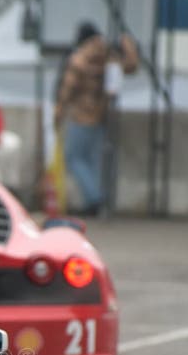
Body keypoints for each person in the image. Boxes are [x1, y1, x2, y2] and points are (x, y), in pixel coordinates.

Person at [54, 22, 138, 215]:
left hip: (80, 116)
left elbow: (68, 88)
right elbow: (131, 66)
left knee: (74, 158)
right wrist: (129, 45)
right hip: (101, 115)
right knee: (93, 162)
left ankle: (94, 199)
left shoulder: (79, 58)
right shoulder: (109, 56)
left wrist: (59, 110)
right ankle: (96, 202)